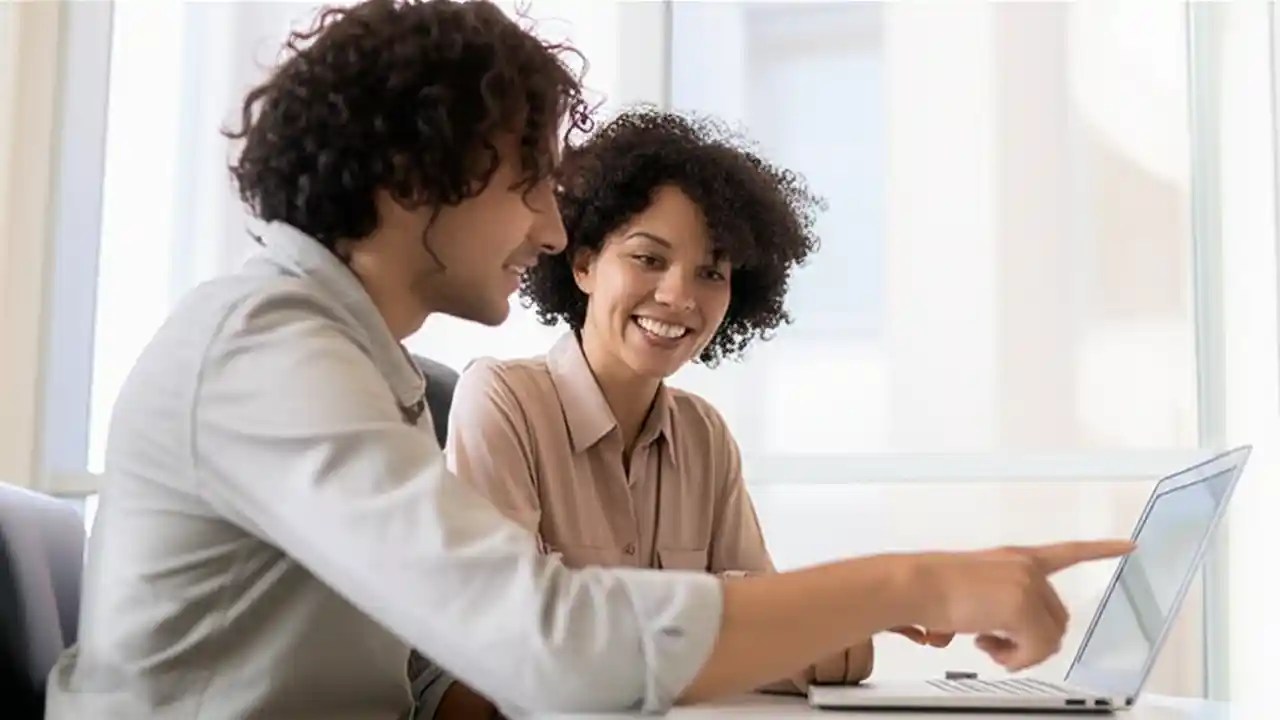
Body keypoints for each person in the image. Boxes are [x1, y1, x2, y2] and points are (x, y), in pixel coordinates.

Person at [44, 2, 1132, 719]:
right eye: (527, 184)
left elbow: (435, 665)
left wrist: (825, 611)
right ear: (408, 175)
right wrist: (914, 577)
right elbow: (541, 647)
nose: (551, 233)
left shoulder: (360, 365)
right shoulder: (265, 348)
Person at [418, 109, 960, 717]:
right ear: (584, 263)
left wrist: (844, 615)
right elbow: (514, 649)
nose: (679, 296)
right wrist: (754, 626)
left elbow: (795, 644)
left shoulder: (704, 437)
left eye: (710, 272)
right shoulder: (501, 399)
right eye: (649, 259)